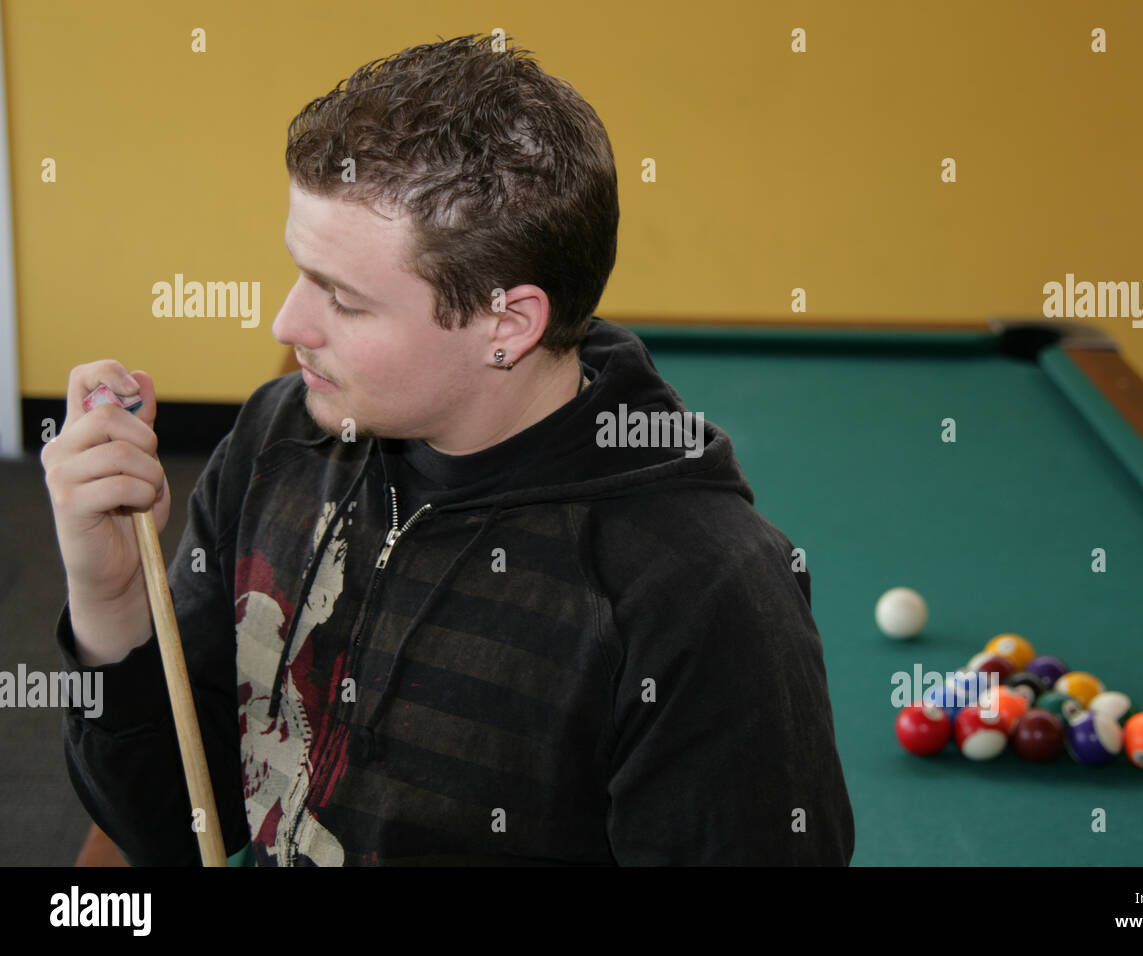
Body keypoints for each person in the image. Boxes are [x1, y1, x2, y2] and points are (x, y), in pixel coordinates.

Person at [43, 34, 854, 865]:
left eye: (344, 300)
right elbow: (172, 823)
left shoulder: (703, 596)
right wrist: (110, 605)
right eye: (299, 270)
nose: (286, 326)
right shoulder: (277, 438)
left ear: (506, 326)